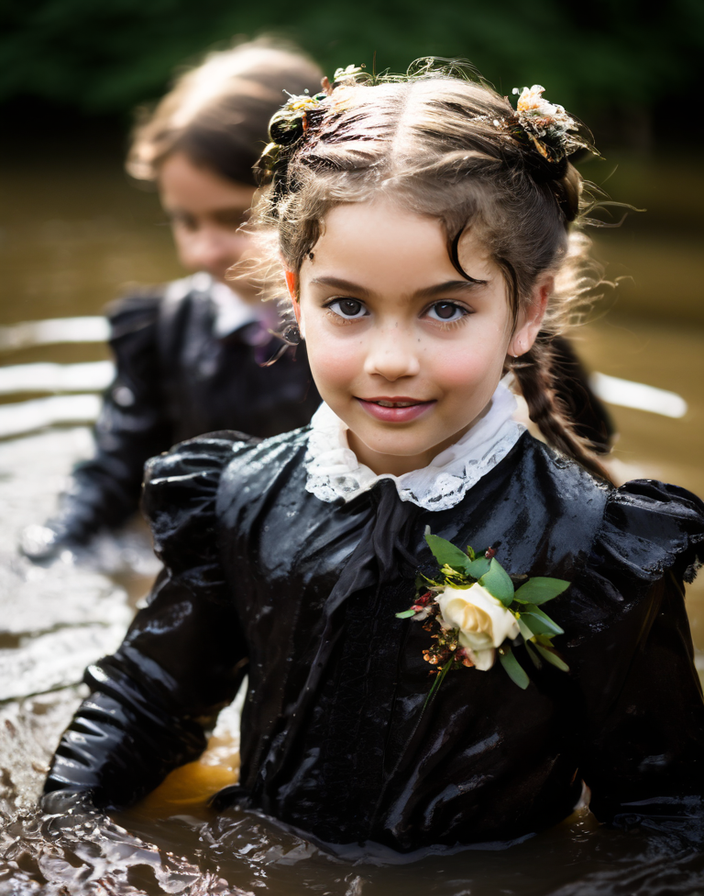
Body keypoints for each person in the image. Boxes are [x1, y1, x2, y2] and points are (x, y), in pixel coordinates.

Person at [42, 62, 704, 854]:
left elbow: (664, 810)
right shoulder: (241, 497)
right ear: (295, 295)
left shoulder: (594, 547)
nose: (391, 359)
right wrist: (62, 843)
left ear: (529, 310)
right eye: (348, 306)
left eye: (446, 308)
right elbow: (146, 704)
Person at [21, 39, 323, 561]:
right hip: (208, 558)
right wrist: (55, 543)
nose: (201, 250)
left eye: (235, 218)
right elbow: (118, 463)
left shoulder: (355, 331)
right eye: (184, 221)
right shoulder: (162, 329)